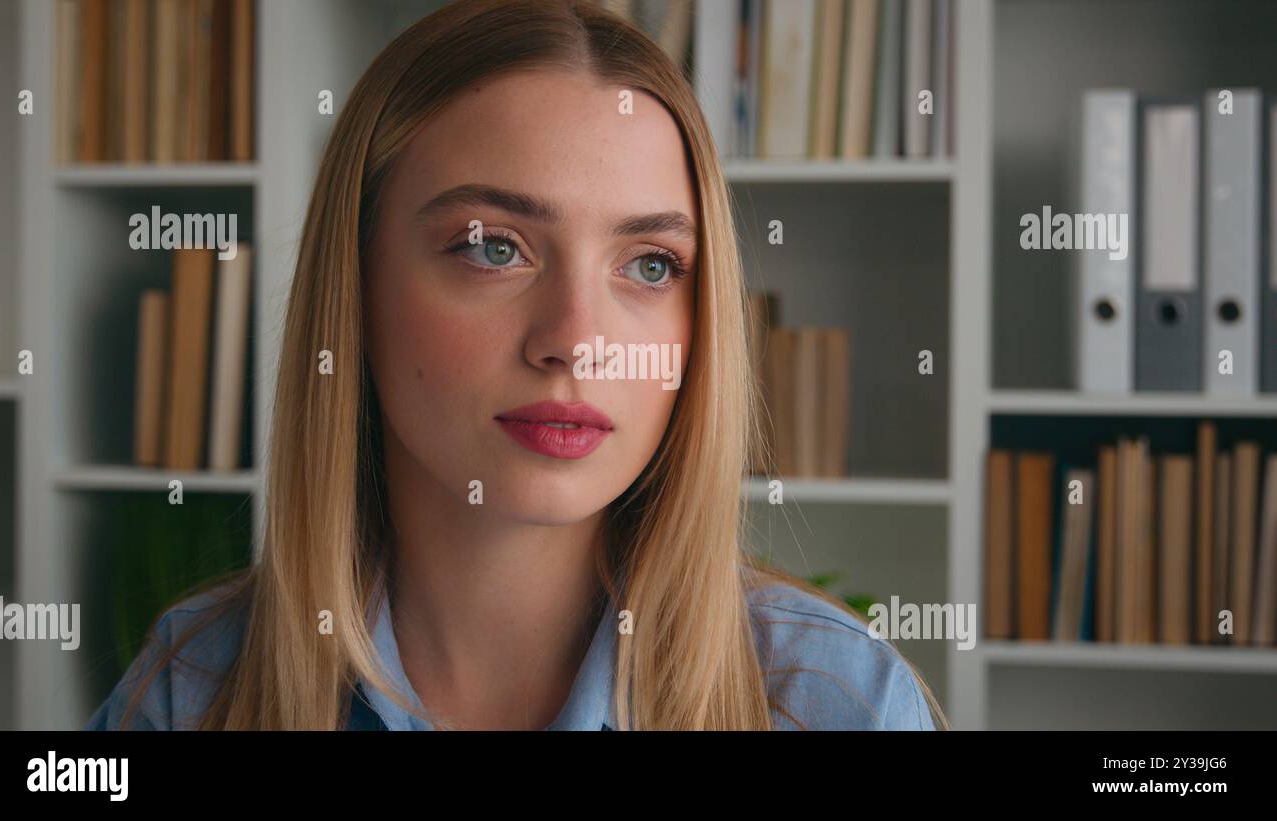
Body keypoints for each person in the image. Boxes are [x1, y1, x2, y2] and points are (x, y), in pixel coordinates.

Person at [86, 0, 946, 731]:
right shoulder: (193, 688)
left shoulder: (842, 702)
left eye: (650, 264)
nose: (576, 340)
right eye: (493, 247)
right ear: (354, 286)